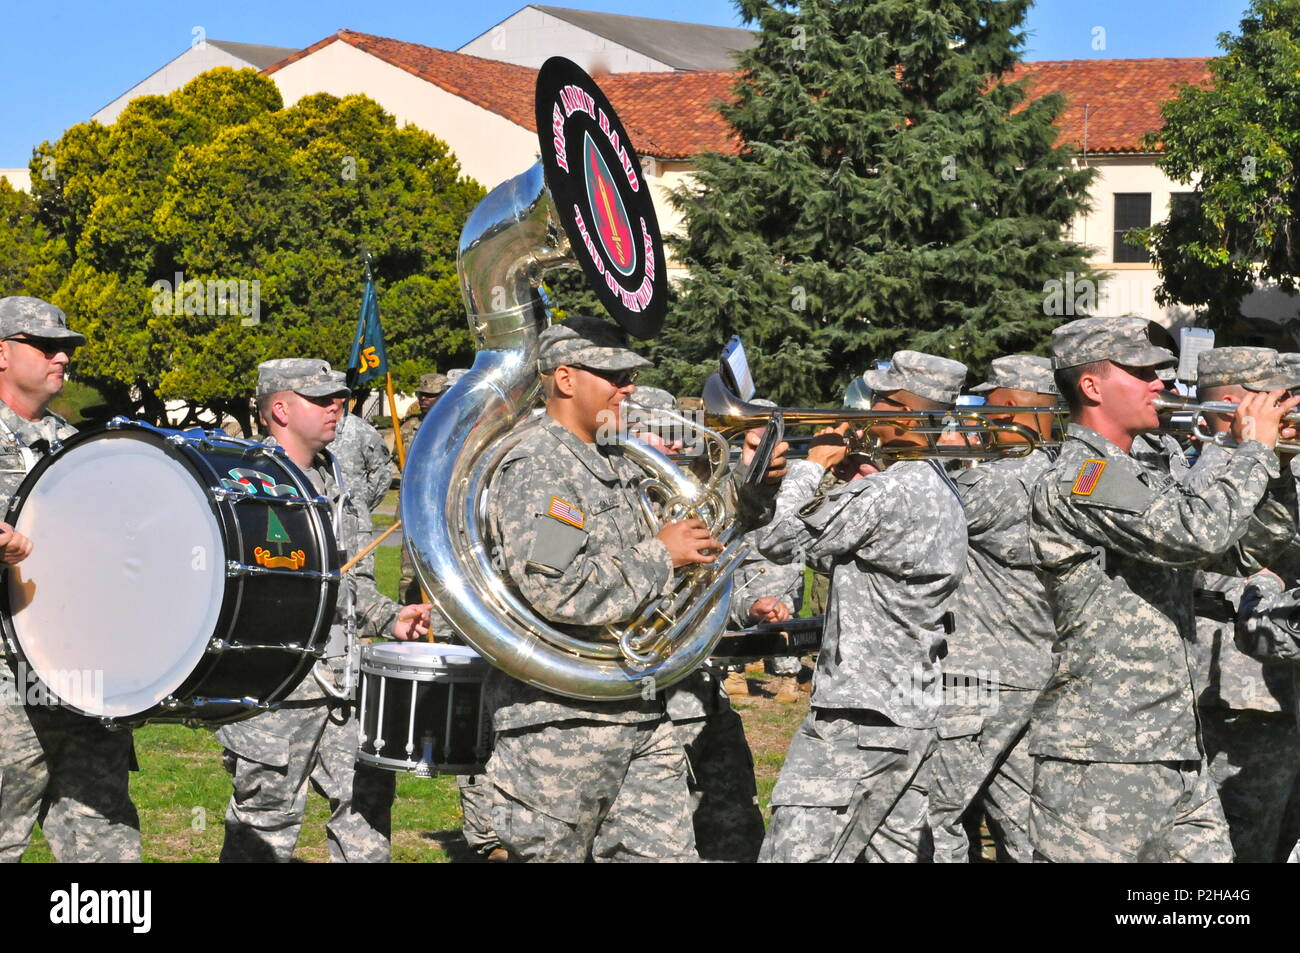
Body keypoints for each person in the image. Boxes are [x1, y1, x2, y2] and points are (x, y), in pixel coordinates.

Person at [483, 315, 783, 862]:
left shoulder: (615, 460)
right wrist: (660, 553)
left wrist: (754, 488)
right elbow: (558, 591)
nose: (628, 388)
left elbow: (700, 538)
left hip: (641, 708)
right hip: (562, 726)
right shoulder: (540, 467)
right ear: (566, 378)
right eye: (613, 375)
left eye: (629, 376)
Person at [1027, 317, 1298, 863]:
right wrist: (1253, 453)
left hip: (1173, 743)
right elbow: (1198, 534)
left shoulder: (1146, 472)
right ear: (1092, 386)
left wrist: (1281, 466)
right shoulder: (1085, 475)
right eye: (1144, 372)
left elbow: (1237, 554)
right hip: (1100, 755)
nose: (1163, 385)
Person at [758, 349, 969, 863]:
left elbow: (780, 541)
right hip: (910, 705)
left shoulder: (885, 492)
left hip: (861, 710)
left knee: (794, 852)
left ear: (901, 412)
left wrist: (811, 467)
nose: (866, 412)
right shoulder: (941, 486)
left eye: (877, 403)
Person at [216, 358, 430, 863]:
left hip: (347, 680)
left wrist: (388, 617)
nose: (338, 405)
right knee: (267, 821)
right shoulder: (246, 482)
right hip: (279, 684)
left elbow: (353, 577)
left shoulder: (337, 475)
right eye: (322, 398)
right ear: (281, 410)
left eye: (340, 396)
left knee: (366, 810)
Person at [0, 295, 140, 863]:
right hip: (7, 686)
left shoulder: (79, 447)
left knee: (102, 841)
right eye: (46, 346)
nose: (62, 357)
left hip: (83, 676)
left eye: (67, 348)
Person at [928, 354, 1059, 863]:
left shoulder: (1002, 480)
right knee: (1027, 825)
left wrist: (936, 453)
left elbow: (923, 513)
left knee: (930, 814)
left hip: (979, 674)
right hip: (1036, 668)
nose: (977, 411)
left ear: (1007, 405)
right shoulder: (1062, 467)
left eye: (986, 401)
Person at [1184, 347, 1300, 863]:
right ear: (1237, 404)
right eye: (1281, 396)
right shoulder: (1220, 471)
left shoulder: (1268, 464)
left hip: (1274, 686)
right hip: (1239, 690)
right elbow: (1240, 560)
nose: (1291, 406)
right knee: (1240, 841)